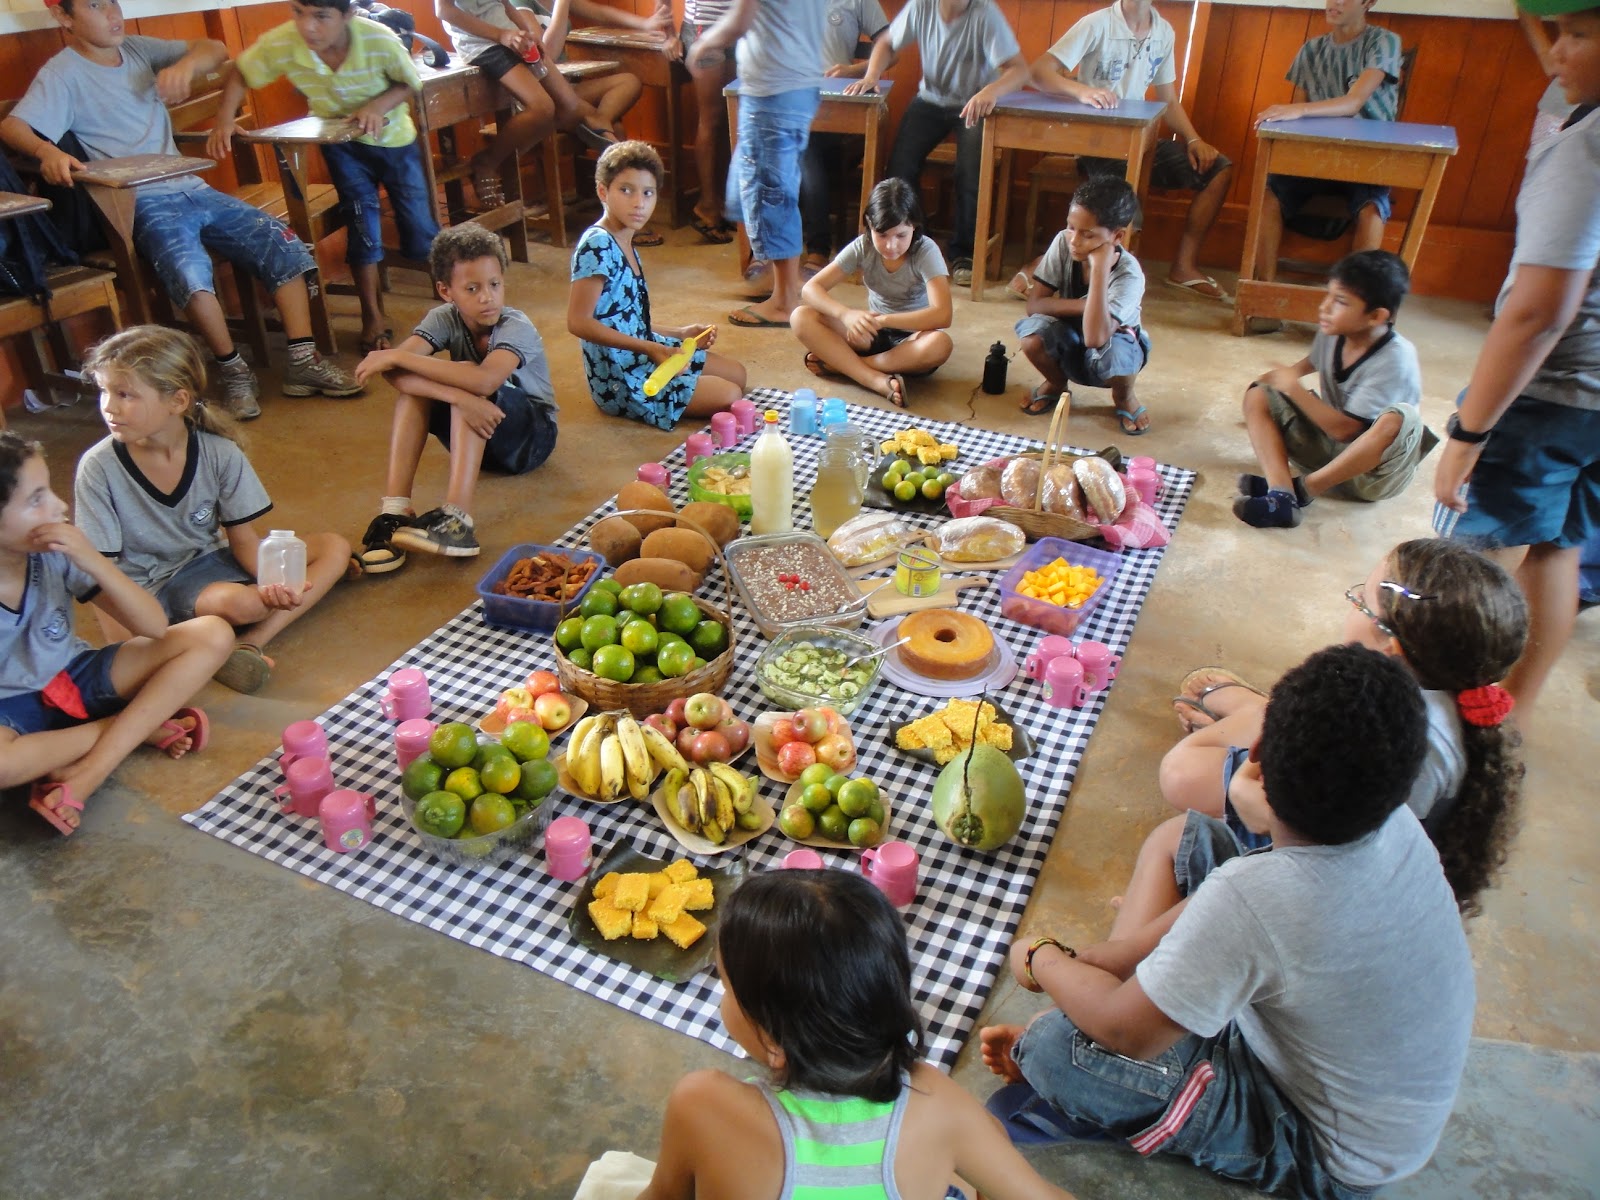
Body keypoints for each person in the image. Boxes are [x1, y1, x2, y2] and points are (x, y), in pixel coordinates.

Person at [981, 645, 1475, 1199]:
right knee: (1182, 839)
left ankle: (1105, 1071)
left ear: (1255, 751)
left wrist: (1039, 955)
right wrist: (1113, 959)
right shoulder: (1396, 822)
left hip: (1319, 1150)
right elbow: (1237, 904)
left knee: (1055, 1048)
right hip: (1355, 1076)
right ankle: (1115, 1002)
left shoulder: (1258, 897)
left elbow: (1127, 1033)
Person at [0, 0, 363, 421]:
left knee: (281, 243)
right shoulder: (62, 74)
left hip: (193, 185)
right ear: (65, 17)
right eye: (95, 5)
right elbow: (11, 126)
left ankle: (302, 362)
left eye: (114, 1)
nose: (113, 14)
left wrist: (187, 65)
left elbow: (215, 48)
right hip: (140, 200)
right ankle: (233, 369)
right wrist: (46, 151)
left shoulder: (136, 48)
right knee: (190, 271)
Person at [636, 868, 1078, 1200]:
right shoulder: (935, 1101)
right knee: (978, 1148)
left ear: (773, 1041)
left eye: (725, 985)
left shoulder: (703, 1104)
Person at [1164, 539, 1527, 917]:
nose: (1351, 603)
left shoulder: (1398, 740)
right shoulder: (1442, 700)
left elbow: (1344, 848)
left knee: (1180, 774)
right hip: (1340, 807)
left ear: (1390, 646)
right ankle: (1257, 711)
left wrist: (1264, 812)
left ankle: (1256, 710)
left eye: (1360, 600)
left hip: (1325, 846)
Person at [1432, 0, 1600, 718]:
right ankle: (1509, 721)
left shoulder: (1585, 146)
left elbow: (1536, 313)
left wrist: (1468, 432)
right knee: (1559, 548)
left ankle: (1438, 732)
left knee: (1469, 568)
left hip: (1550, 394)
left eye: (1579, 34)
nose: (1556, 51)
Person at [73, 327, 351, 695]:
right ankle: (229, 634)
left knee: (334, 547)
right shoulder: (98, 468)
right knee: (244, 603)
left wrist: (273, 584)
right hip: (151, 587)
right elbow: (98, 575)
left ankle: (249, 643)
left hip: (211, 560)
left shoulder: (219, 452)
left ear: (178, 401)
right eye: (104, 391)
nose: (109, 406)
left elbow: (243, 540)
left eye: (125, 394)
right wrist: (126, 656)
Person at [0, 433, 232, 836]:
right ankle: (136, 727)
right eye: (36, 499)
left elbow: (153, 627)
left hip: (75, 677)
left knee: (212, 634)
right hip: (10, 712)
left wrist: (94, 562)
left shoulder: (54, 555)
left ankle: (89, 770)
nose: (59, 506)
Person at [209, 0, 441, 356]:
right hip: (340, 145)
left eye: (321, 16)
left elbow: (410, 82)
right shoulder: (285, 41)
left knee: (420, 229)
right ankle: (372, 317)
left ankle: (451, 299)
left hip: (395, 143)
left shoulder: (378, 38)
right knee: (361, 223)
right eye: (298, 13)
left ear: (347, 15)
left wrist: (376, 106)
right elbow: (242, 71)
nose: (308, 26)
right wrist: (224, 118)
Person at [355, 223, 559, 566]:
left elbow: (484, 381)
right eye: (472, 288)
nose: (487, 297)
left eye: (495, 284)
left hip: (531, 439)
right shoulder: (442, 318)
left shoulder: (516, 326)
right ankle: (395, 511)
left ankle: (458, 520)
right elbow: (396, 374)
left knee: (468, 380)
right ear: (446, 291)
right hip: (476, 431)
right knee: (424, 392)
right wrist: (458, 398)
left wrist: (397, 356)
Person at [1022, 0, 1233, 303]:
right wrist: (1084, 90)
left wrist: (1193, 139)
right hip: (1098, 145)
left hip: (1141, 143)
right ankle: (1042, 267)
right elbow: (1039, 72)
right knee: (1127, 211)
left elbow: (1168, 100)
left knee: (1217, 168)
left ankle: (1183, 267)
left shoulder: (1163, 31)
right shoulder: (1097, 24)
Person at [1233, 249, 1433, 529]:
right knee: (1259, 392)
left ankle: (1303, 489)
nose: (1324, 307)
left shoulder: (1396, 359)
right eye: (1328, 295)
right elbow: (1309, 364)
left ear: (1376, 316)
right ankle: (1282, 495)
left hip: (1375, 475)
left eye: (1340, 301)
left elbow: (1346, 430)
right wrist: (1275, 387)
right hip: (1330, 452)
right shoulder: (1334, 333)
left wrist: (1294, 389)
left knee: (1398, 419)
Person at [847, 0, 1030, 290]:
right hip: (930, 100)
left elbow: (1019, 71)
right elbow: (886, 44)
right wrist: (871, 75)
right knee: (900, 169)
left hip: (974, 103)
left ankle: (964, 254)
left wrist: (990, 91)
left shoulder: (985, 12)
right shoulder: (921, 6)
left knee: (970, 174)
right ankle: (918, 242)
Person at [569, 141, 745, 427]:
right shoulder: (597, 245)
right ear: (603, 191)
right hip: (621, 376)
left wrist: (680, 332)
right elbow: (578, 322)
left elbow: (628, 320)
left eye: (648, 193)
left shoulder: (625, 239)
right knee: (730, 393)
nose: (639, 203)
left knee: (737, 374)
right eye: (626, 190)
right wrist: (650, 349)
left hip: (644, 351)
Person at [696, 0, 829, 328]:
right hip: (796, 85)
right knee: (752, 187)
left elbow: (740, 19)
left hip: (774, 89)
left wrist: (704, 42)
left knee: (771, 194)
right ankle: (780, 278)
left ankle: (784, 301)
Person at [1251, 0, 1403, 281]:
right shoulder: (1311, 49)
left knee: (1372, 209)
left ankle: (1359, 298)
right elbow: (1295, 121)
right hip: (1314, 158)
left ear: (1368, 2)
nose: (1335, 2)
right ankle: (1262, 290)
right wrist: (1295, 113)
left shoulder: (1384, 42)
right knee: (1269, 195)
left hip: (1367, 160)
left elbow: (1353, 102)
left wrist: (1299, 109)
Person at [512, 0, 679, 246]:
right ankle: (623, 218)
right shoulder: (520, 3)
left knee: (629, 82)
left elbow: (600, 12)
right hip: (541, 99)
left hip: (568, 93)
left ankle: (597, 123)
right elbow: (545, 53)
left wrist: (645, 23)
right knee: (616, 131)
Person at [434, 0, 621, 211]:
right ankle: (487, 161)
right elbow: (443, 10)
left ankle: (505, 162)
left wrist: (529, 33)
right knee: (543, 108)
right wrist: (501, 35)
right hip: (482, 44)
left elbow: (506, 4)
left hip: (513, 37)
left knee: (569, 107)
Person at [791, 178, 953, 408]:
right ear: (869, 224)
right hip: (871, 334)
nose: (891, 245)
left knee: (940, 344)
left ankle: (846, 365)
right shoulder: (863, 245)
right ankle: (873, 379)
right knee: (801, 316)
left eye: (901, 235)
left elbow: (943, 315)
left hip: (913, 337)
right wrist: (846, 314)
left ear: (914, 226)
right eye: (882, 235)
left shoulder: (925, 250)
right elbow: (810, 289)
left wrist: (885, 320)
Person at [1015, 176, 1151, 434]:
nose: (1074, 241)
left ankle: (1124, 396)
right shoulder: (1063, 242)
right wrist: (1085, 306)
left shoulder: (1129, 274)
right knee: (1032, 336)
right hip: (1070, 338)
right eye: (1071, 227)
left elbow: (1096, 337)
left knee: (1116, 353)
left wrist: (1099, 269)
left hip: (1114, 345)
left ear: (1117, 236)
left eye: (1088, 235)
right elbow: (1034, 305)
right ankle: (1056, 383)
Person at [799, 0, 891, 277]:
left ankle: (818, 247)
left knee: (805, 148)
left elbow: (891, 47)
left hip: (838, 110)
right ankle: (765, 252)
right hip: (793, 102)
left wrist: (853, 71)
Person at [678, 0, 739, 245]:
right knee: (710, 118)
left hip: (738, 24)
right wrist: (667, 34)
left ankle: (722, 202)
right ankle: (707, 204)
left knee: (728, 117)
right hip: (704, 26)